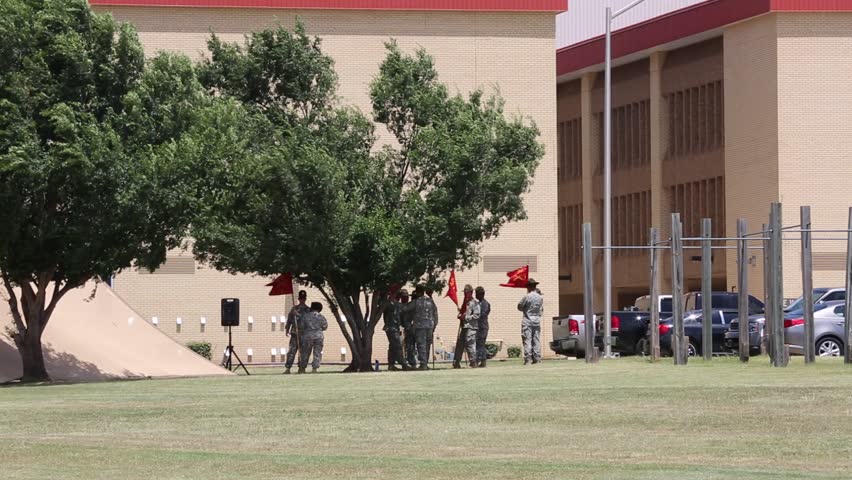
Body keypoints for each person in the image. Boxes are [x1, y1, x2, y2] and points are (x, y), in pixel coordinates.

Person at [408, 285, 435, 370]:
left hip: (420, 326)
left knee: (421, 345)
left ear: (417, 292)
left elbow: (405, 308)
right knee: (427, 345)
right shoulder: (430, 301)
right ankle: (425, 363)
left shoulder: (416, 302)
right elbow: (435, 312)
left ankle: (423, 364)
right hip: (429, 326)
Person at [517, 278, 544, 365]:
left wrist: (526, 309)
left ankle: (528, 359)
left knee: (527, 340)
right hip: (537, 321)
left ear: (528, 287)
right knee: (536, 340)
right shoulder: (540, 297)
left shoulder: (527, 296)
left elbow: (520, 307)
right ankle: (537, 358)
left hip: (527, 320)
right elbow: (540, 310)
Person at [383, 291, 411, 371]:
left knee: (392, 346)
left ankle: (391, 365)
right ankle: (403, 364)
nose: (405, 299)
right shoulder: (394, 304)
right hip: (392, 328)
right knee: (397, 346)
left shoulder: (392, 304)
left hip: (393, 328)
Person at [284, 290, 310, 374]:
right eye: (301, 298)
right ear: (299, 299)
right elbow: (289, 320)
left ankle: (302, 368)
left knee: (303, 352)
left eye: (303, 298)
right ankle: (288, 368)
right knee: (292, 351)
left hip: (305, 334)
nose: (302, 300)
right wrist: (287, 329)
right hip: (295, 334)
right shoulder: (294, 309)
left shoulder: (308, 310)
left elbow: (308, 321)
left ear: (305, 299)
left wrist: (298, 315)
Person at [298, 302, 328, 374]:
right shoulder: (322, 317)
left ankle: (302, 368)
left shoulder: (305, 316)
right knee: (317, 353)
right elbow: (325, 327)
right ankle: (315, 369)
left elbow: (301, 327)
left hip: (307, 336)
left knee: (305, 353)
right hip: (318, 337)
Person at [461, 284, 480, 368]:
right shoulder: (466, 302)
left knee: (471, 345)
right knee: (467, 345)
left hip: (472, 327)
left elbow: (477, 315)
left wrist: (465, 317)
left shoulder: (474, 303)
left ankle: (473, 362)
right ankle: (471, 362)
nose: (465, 294)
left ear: (471, 292)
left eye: (466, 292)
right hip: (466, 326)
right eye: (464, 293)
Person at [400, 289, 417, 368]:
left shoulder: (411, 306)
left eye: (406, 297)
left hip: (412, 328)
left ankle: (412, 362)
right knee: (406, 347)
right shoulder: (400, 306)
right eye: (404, 297)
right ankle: (407, 363)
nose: (405, 298)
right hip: (404, 328)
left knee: (412, 346)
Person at [475, 286, 491, 368]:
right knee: (479, 344)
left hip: (482, 326)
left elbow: (482, 314)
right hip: (479, 326)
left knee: (480, 343)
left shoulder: (485, 304)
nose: (475, 295)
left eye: (477, 294)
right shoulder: (478, 303)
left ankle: (480, 360)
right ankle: (482, 360)